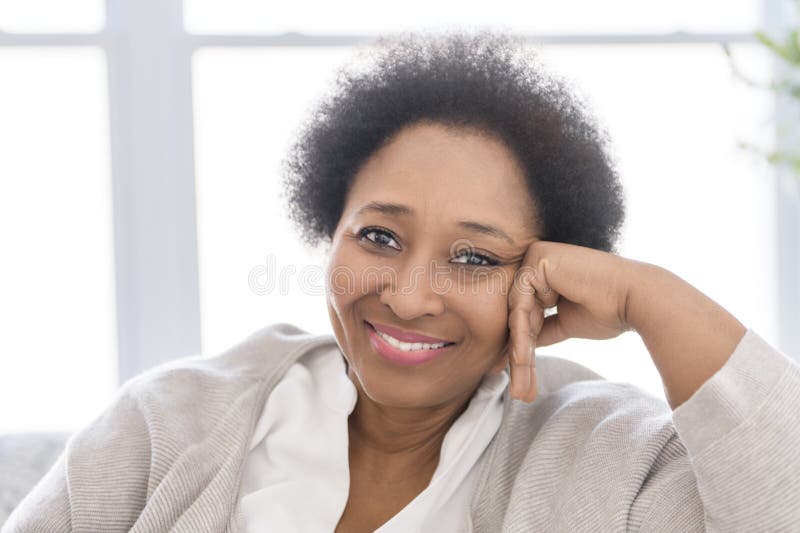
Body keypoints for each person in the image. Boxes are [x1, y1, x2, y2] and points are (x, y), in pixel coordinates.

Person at [5, 30, 800, 533]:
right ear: (329, 229)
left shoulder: (613, 456)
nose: (412, 295)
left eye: (476, 258)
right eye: (379, 236)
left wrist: (647, 296)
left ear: (546, 278)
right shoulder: (169, 421)